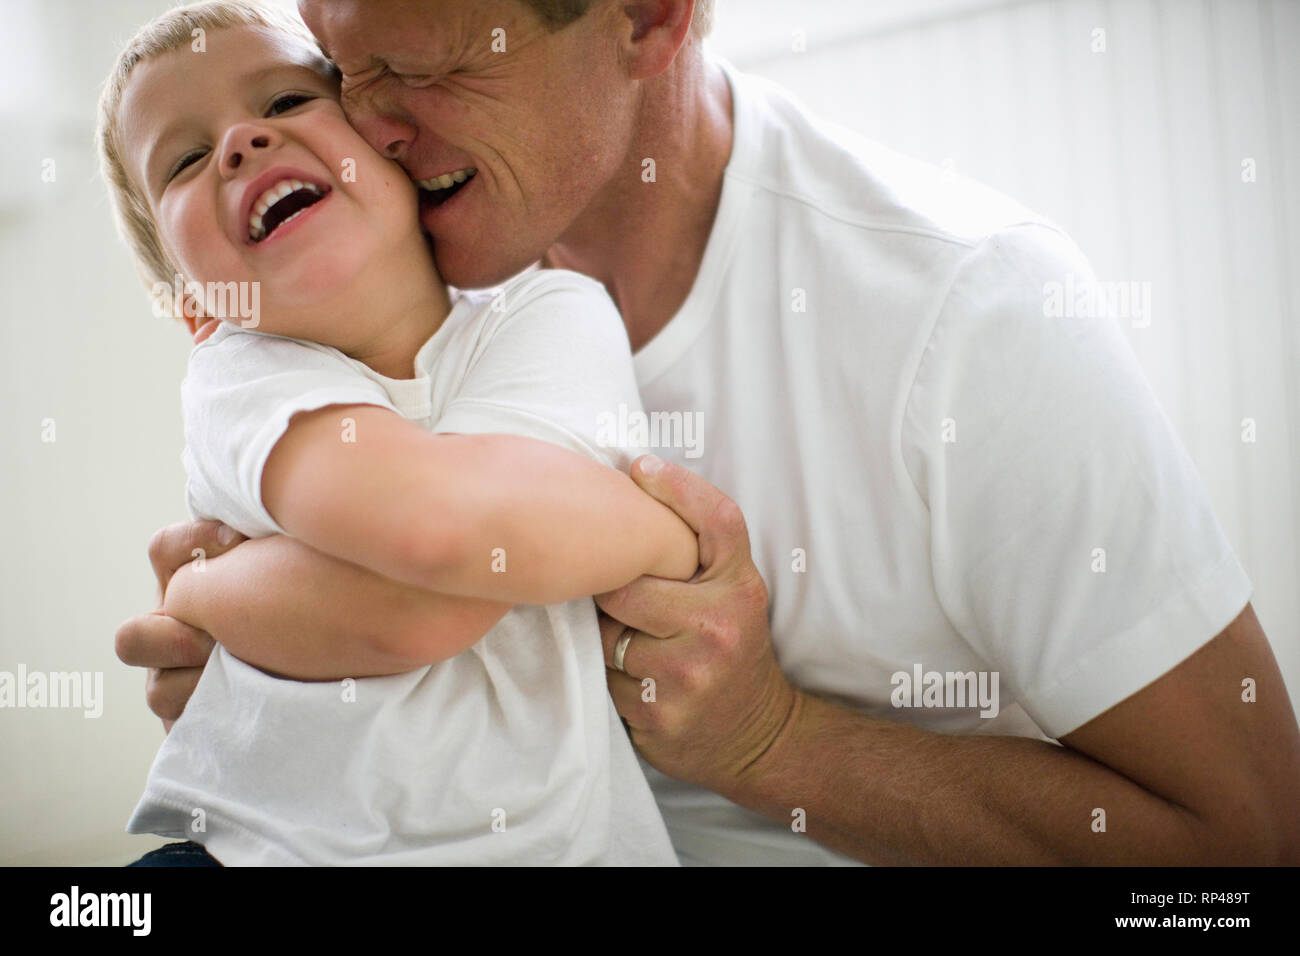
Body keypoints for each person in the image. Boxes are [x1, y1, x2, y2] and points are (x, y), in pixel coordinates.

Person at [117, 0, 1300, 865]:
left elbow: (1243, 851)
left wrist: (775, 742)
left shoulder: (970, 311)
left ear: (646, 17)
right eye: (339, 66)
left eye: (421, 68)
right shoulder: (348, 308)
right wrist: (265, 682)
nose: (360, 127)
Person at [101, 0, 700, 864]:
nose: (239, 144)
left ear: (390, 154)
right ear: (196, 304)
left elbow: (456, 544)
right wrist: (652, 530)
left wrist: (206, 591)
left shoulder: (548, 310)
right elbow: (424, 587)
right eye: (188, 159)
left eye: (283, 103)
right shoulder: (238, 378)